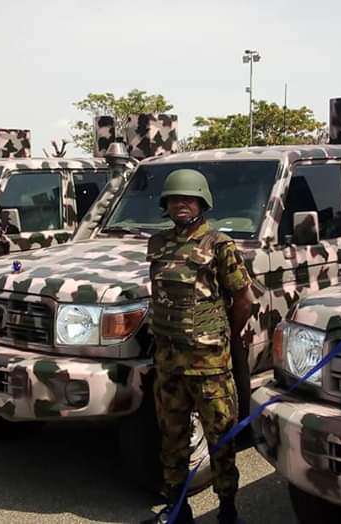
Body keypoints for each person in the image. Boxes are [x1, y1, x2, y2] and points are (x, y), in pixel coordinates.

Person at [143, 169, 253, 524]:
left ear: (202, 202)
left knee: (220, 439)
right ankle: (177, 507)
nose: (181, 205)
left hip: (209, 365)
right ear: (166, 205)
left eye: (188, 199)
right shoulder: (157, 245)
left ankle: (227, 509)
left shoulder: (221, 246)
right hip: (169, 363)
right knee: (172, 439)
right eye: (175, 199)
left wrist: (226, 339)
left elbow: (243, 299)